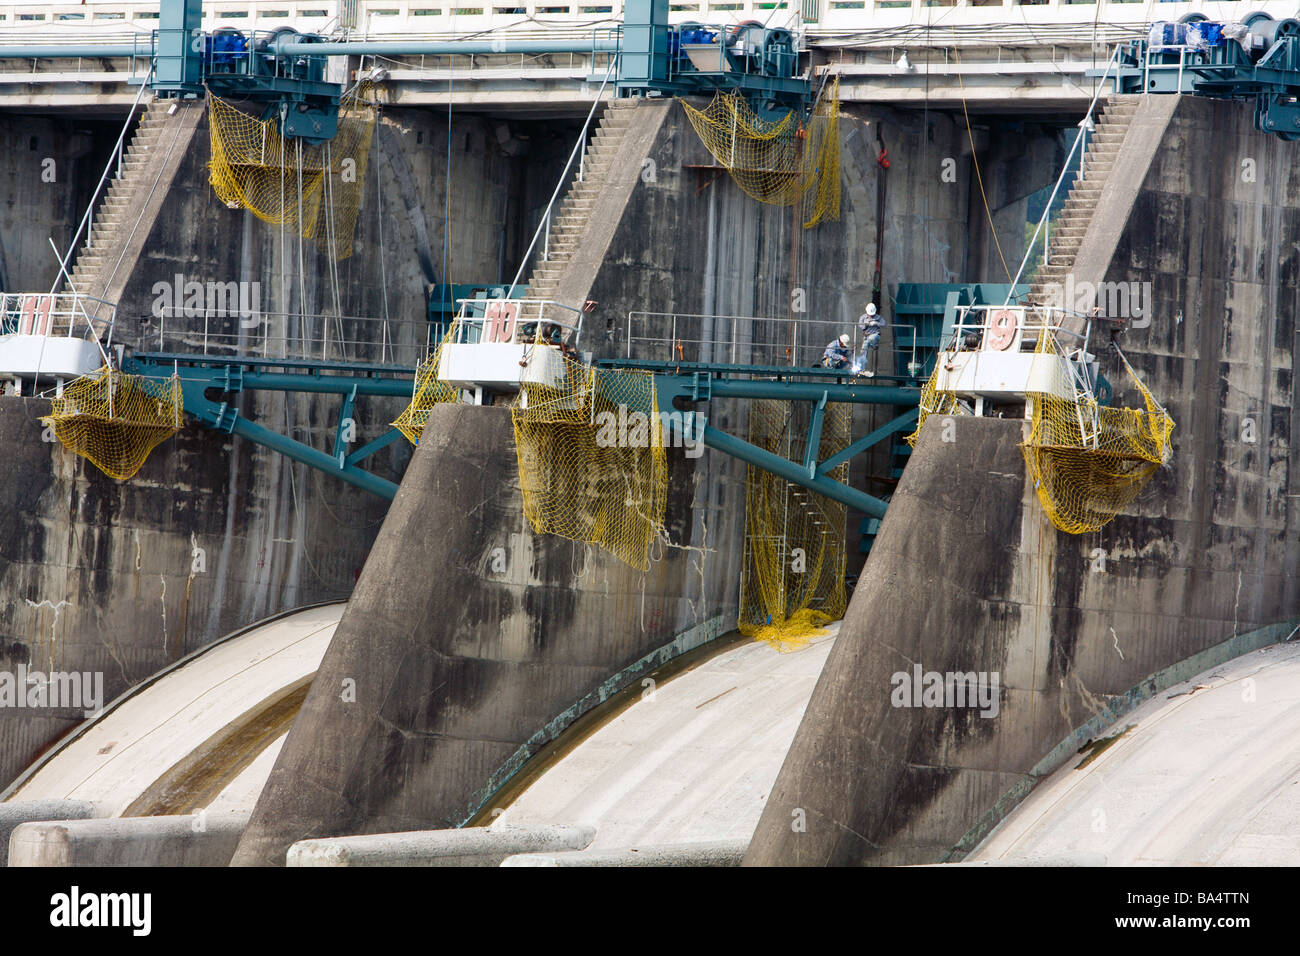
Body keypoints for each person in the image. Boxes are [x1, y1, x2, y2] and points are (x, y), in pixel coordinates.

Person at [856, 302, 886, 377]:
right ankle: (861, 369)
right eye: (869, 314)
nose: (870, 315)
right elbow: (860, 325)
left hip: (875, 335)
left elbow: (884, 324)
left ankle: (874, 345)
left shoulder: (878, 317)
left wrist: (876, 323)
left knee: (871, 338)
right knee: (863, 351)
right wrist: (866, 324)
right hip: (866, 337)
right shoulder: (863, 317)